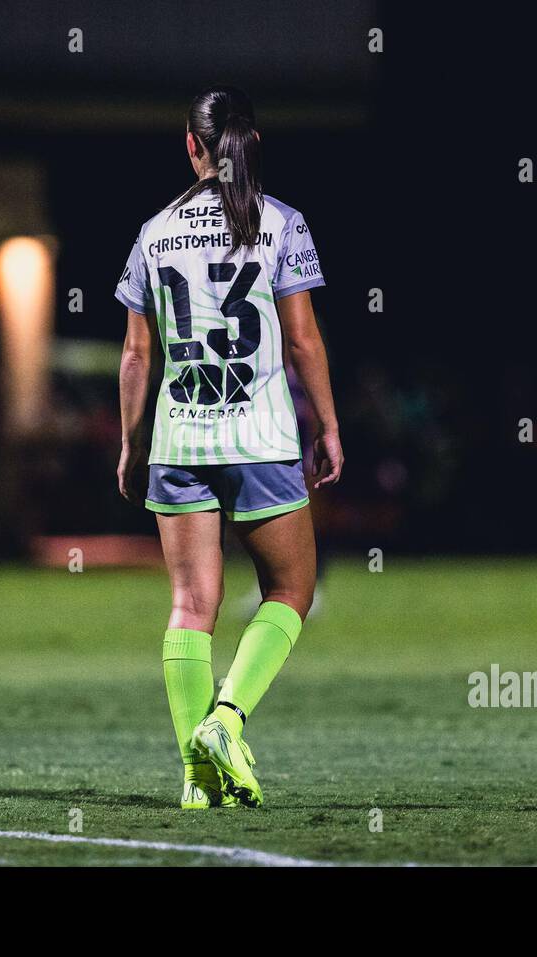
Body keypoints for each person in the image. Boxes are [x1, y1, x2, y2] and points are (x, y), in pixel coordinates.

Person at [114, 85, 343, 808]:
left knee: (190, 604)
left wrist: (131, 443)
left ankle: (194, 779)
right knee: (291, 591)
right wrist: (329, 426)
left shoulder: (154, 231)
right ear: (251, 141)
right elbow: (302, 338)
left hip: (180, 436)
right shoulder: (280, 222)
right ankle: (227, 717)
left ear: (191, 146)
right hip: (260, 435)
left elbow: (135, 355)